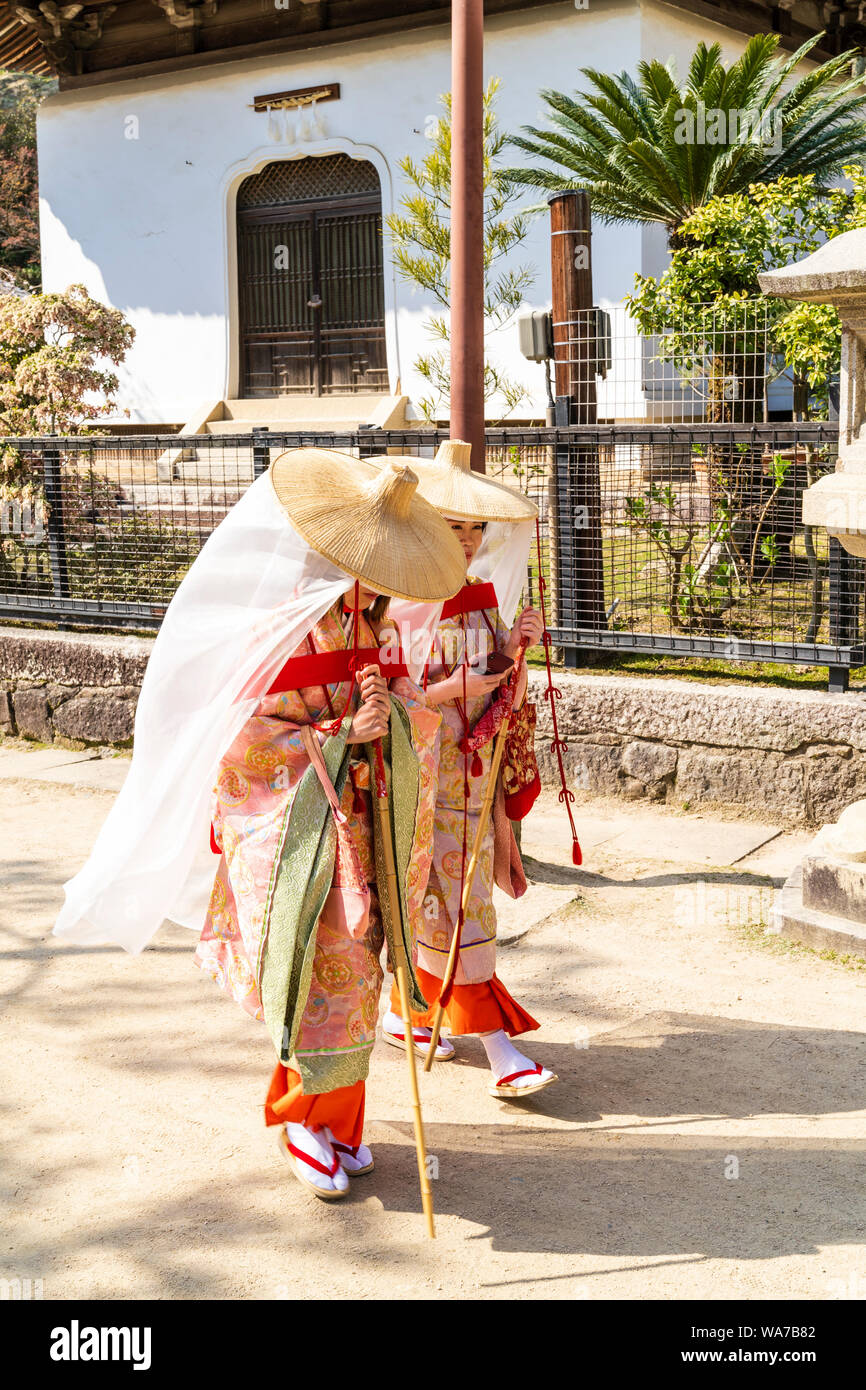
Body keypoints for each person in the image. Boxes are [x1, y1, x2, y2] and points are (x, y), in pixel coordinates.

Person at [53, 448, 465, 1201]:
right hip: (306, 831)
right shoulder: (285, 635)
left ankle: (340, 1122)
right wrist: (348, 737)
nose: (379, 582)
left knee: (362, 966)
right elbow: (251, 747)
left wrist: (399, 720)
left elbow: (410, 716)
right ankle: (298, 1117)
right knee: (316, 969)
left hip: (366, 824)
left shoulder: (373, 633)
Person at [381, 440, 557, 1099]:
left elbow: (495, 667)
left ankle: (411, 1010)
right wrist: (461, 687)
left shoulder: (480, 591)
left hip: (476, 772)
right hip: (427, 773)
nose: (467, 539)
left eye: (475, 528)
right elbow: (396, 690)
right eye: (454, 526)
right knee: (456, 897)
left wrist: (517, 641)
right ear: (425, 524)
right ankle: (499, 1046)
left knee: (450, 893)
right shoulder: (401, 597)